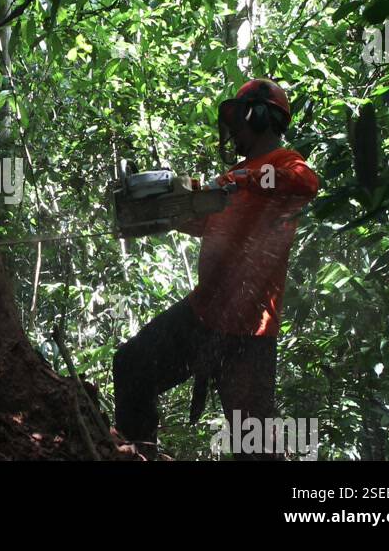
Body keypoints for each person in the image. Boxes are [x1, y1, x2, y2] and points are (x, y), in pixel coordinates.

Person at [112, 78, 319, 460]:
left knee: (253, 445)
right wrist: (164, 212)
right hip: (203, 314)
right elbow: (207, 223)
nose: (234, 131)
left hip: (249, 330)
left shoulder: (281, 164)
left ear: (260, 117)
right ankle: (138, 454)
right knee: (132, 364)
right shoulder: (231, 180)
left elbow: (307, 182)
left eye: (240, 119)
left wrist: (246, 179)